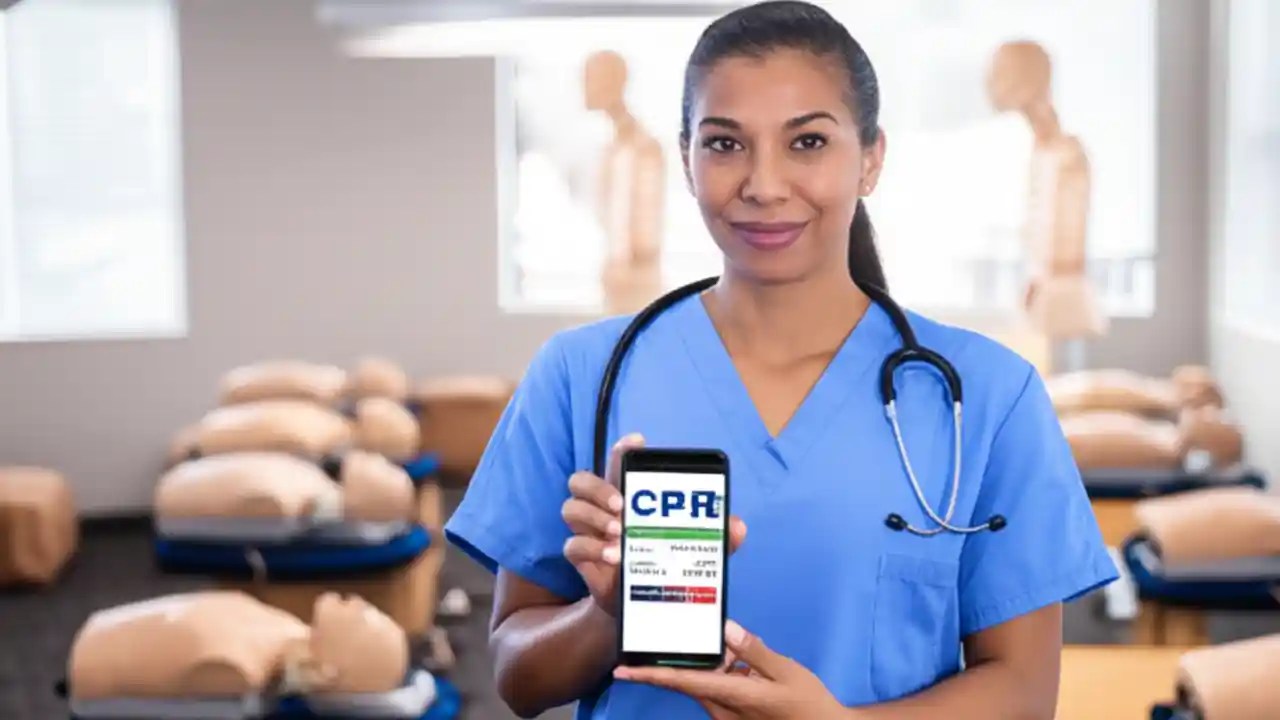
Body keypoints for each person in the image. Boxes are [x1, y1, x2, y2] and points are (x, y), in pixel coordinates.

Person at [444, 2, 1117, 718]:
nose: (763, 185)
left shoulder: (988, 395)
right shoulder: (581, 375)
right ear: (686, 159)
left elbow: (1024, 690)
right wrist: (612, 614)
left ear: (871, 158)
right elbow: (517, 676)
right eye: (726, 144)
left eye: (807, 143)